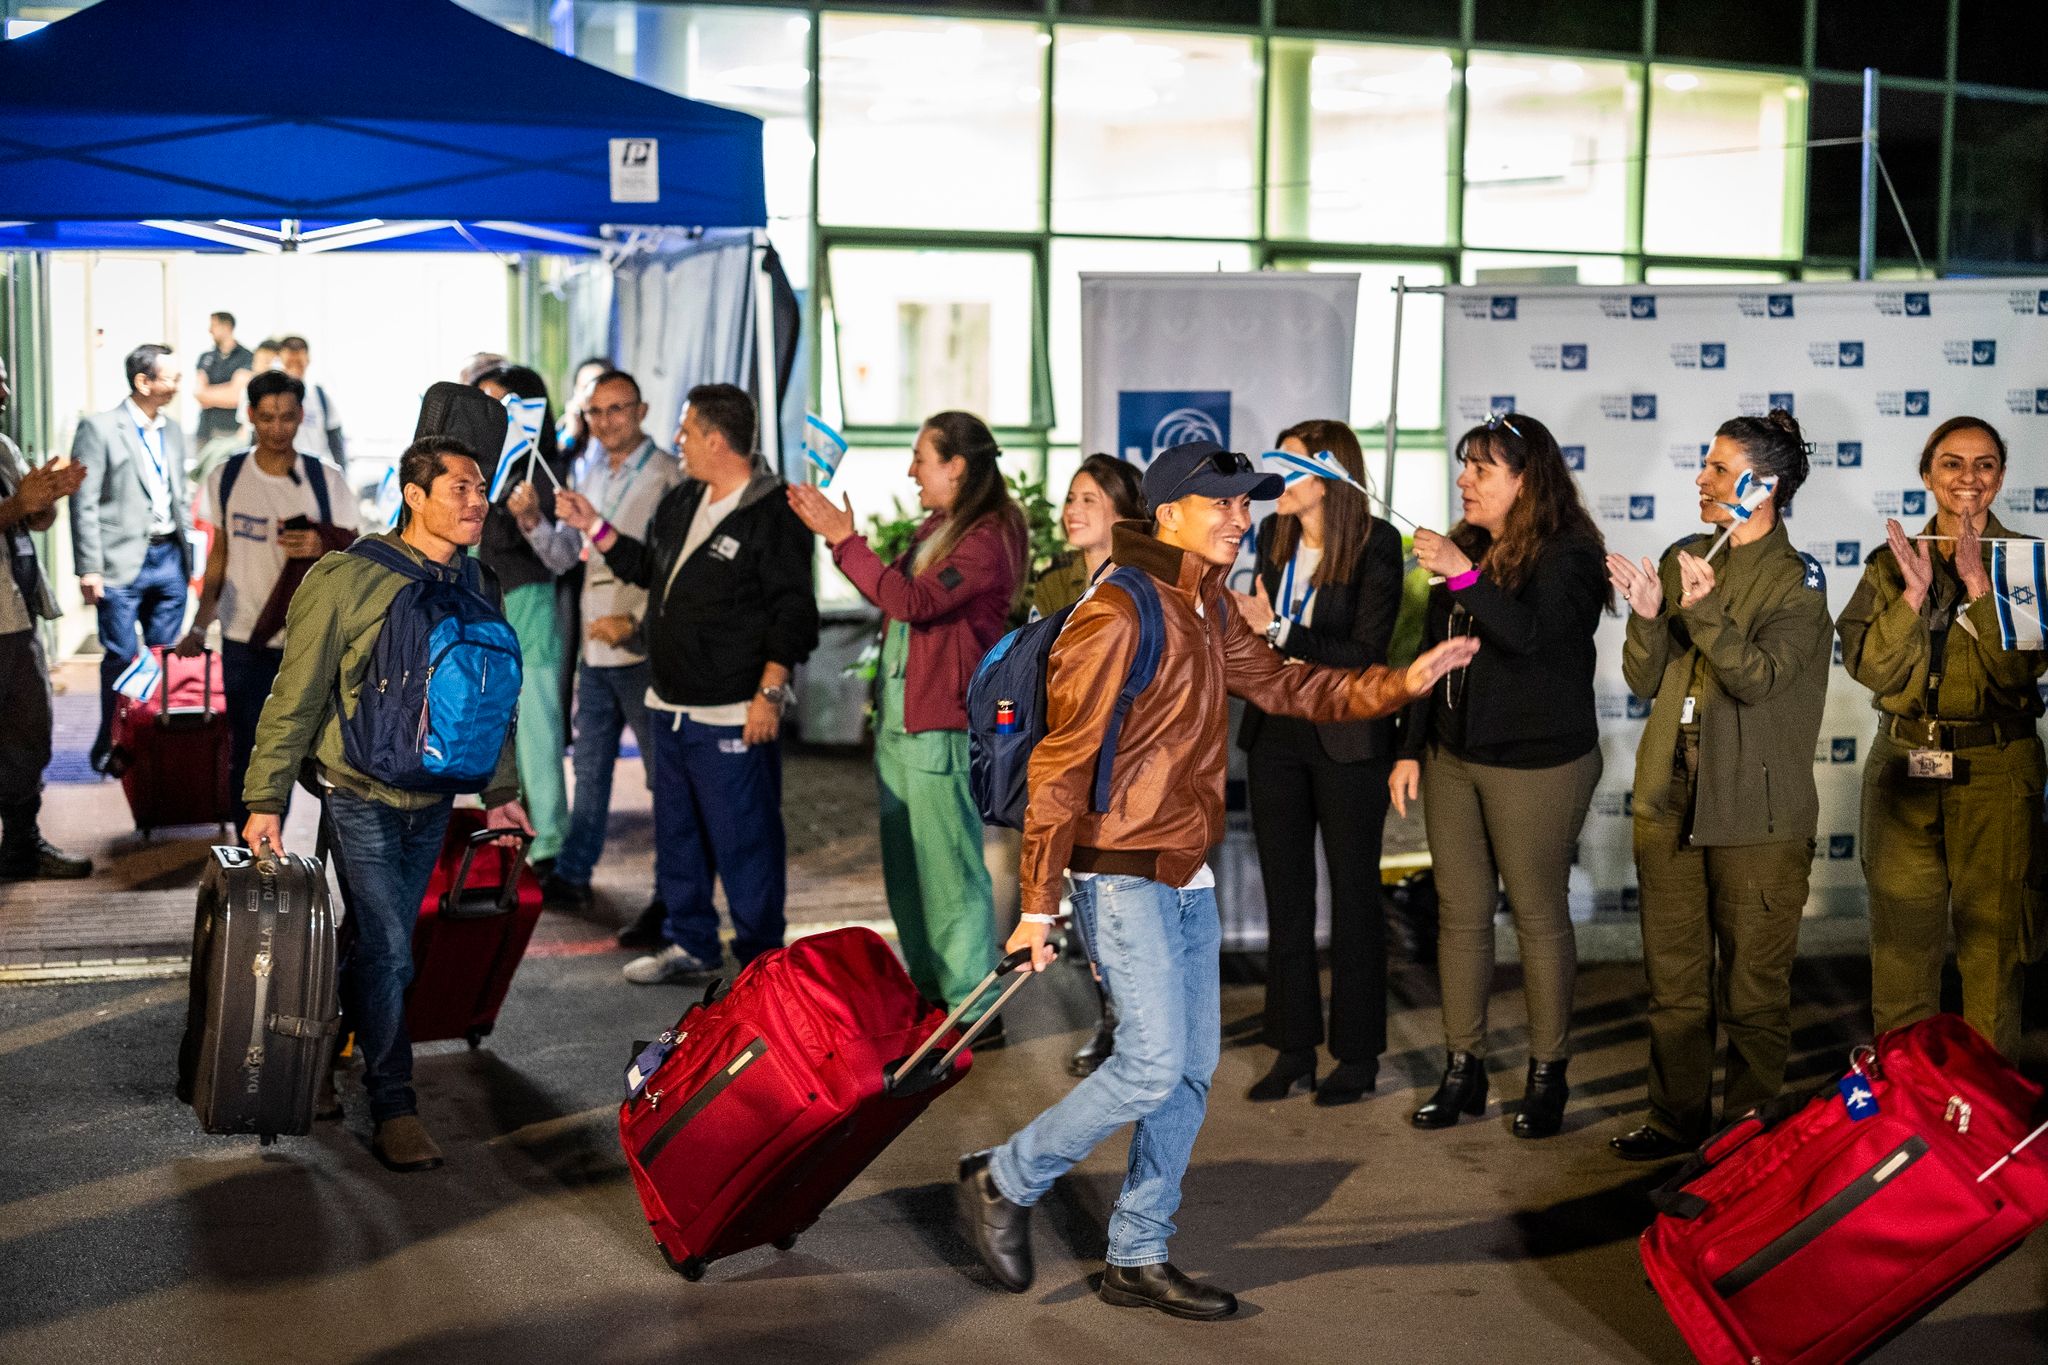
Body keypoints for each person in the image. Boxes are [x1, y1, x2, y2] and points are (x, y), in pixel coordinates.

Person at [952, 440, 1478, 1318]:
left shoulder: (1205, 604)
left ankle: (1137, 1251)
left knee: (1190, 1070)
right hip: (1120, 869)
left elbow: (1287, 684)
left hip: (1183, 870)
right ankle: (1004, 1177)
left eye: (1248, 505)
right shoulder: (1118, 610)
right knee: (1154, 1062)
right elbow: (1058, 768)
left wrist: (1400, 683)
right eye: (1223, 505)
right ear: (1167, 516)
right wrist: (1037, 904)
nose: (1243, 518)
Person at [241, 435, 532, 1173]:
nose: (477, 502)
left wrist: (501, 793)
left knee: (379, 943)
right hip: (357, 791)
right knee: (393, 948)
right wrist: (264, 798)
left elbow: (495, 699)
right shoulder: (345, 577)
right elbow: (295, 696)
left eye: (480, 488)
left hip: (432, 795)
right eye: (460, 488)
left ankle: (320, 1054)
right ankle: (395, 1104)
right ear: (413, 493)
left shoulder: (480, 581)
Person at [1606, 409, 1832, 1162]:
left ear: (1762, 486)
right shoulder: (1683, 556)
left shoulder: (1800, 581)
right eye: (1704, 464)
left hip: (1756, 817)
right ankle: (1675, 1121)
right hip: (1669, 799)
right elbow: (1644, 679)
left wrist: (1702, 613)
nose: (1700, 478)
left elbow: (1759, 679)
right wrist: (1645, 617)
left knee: (1753, 995)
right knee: (1674, 984)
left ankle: (1747, 1139)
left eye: (1717, 466)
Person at [1394, 412, 1611, 1138]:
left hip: (1537, 764)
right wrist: (1409, 745)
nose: (1464, 480)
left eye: (1481, 468)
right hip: (1453, 758)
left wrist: (1461, 573)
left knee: (1538, 916)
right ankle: (1464, 1066)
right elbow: (1434, 653)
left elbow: (1535, 640)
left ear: (1526, 480)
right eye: (1463, 466)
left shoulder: (1571, 554)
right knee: (1459, 916)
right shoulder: (1473, 546)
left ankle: (1548, 1072)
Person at [556, 382, 818, 982]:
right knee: (677, 835)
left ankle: (761, 963)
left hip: (733, 711)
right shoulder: (683, 503)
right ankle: (691, 944)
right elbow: (651, 571)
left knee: (745, 841)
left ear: (717, 439)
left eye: (685, 431)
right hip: (667, 702)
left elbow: (793, 613)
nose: (678, 442)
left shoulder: (776, 515)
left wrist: (769, 693)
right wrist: (594, 526)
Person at [788, 413, 1026, 1040]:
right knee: (907, 868)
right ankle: (930, 993)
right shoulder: (944, 526)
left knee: (949, 871)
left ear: (958, 467)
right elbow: (894, 590)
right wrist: (842, 539)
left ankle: (974, 1009)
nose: (911, 471)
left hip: (941, 725)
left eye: (921, 458)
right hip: (902, 721)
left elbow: (911, 602)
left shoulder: (989, 537)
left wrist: (845, 540)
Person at [1838, 416, 2046, 1058]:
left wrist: (1981, 588)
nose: (1968, 477)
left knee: (1992, 945)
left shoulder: (2024, 560)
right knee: (1902, 942)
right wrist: (1915, 593)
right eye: (1952, 463)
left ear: (2001, 478)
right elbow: (1870, 665)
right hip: (1905, 761)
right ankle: (1908, 1099)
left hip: (1995, 770)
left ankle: (1987, 1112)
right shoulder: (1889, 562)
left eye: (1984, 465)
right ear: (1927, 475)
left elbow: (2019, 673)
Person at [1230, 420, 1405, 1109]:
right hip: (1278, 735)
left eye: (1289, 463)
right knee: (1287, 900)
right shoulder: (1274, 539)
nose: (1276, 474)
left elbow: (1364, 650)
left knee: (1356, 900)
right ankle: (1291, 1048)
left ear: (1332, 471)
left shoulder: (1377, 544)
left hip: (1348, 738)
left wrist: (1276, 629)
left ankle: (1357, 1055)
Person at [521, 367, 681, 926]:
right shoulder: (586, 469)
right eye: (596, 411)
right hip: (594, 650)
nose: (607, 421)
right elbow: (565, 557)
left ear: (641, 411)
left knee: (666, 778)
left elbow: (670, 569)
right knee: (588, 771)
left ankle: (672, 894)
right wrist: (534, 524)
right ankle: (573, 874)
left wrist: (635, 623)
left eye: (618, 409)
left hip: (640, 650)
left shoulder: (667, 475)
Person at [177, 370, 358, 836]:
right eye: (267, 417)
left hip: (310, 642)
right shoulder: (228, 476)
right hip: (243, 639)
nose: (278, 428)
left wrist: (321, 545)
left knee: (315, 755)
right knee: (249, 752)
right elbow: (219, 557)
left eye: (287, 417)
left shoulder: (326, 479)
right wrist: (200, 626)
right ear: (251, 416)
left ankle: (305, 847)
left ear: (301, 417)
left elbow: (357, 558)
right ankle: (249, 850)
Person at [1030, 453, 1147, 1078]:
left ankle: (1140, 1028)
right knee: (1091, 907)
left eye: (1088, 500)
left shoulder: (1147, 586)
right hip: (1071, 762)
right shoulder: (1053, 586)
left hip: (1132, 769)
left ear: (1123, 515)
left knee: (1129, 905)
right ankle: (1113, 1020)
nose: (1072, 510)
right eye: (1070, 498)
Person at [70, 342, 195, 773]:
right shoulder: (100, 429)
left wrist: (191, 559)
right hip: (120, 564)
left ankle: (151, 741)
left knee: (164, 657)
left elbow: (180, 494)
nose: (179, 386)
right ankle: (112, 743)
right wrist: (89, 567)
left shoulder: (174, 431)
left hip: (169, 560)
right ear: (144, 382)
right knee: (122, 657)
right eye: (172, 378)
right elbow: (83, 502)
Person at [471, 364, 572, 876]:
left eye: (503, 405)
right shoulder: (479, 467)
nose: (492, 415)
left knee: (535, 725)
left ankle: (550, 842)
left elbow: (563, 553)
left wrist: (531, 515)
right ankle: (509, 828)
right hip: (484, 603)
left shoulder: (545, 470)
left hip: (528, 601)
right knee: (492, 721)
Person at [0, 355, 92, 880]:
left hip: (18, 615)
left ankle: (22, 846)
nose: (5, 392)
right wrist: (19, 506)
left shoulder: (4, 448)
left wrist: (46, 501)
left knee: (30, 734)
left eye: (7, 379)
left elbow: (29, 518)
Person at [191, 311, 253, 467]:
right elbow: (199, 393)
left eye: (213, 326)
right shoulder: (206, 357)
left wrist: (209, 393)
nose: (209, 330)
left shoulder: (246, 357)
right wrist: (223, 392)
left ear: (226, 327)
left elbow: (236, 396)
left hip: (231, 433)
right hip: (205, 431)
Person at [277, 336, 345, 473]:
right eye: (290, 363)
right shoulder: (269, 398)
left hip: (314, 473)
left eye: (299, 363)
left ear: (307, 361)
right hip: (278, 473)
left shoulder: (320, 397)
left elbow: (335, 441)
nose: (295, 368)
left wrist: (342, 473)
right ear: (280, 361)